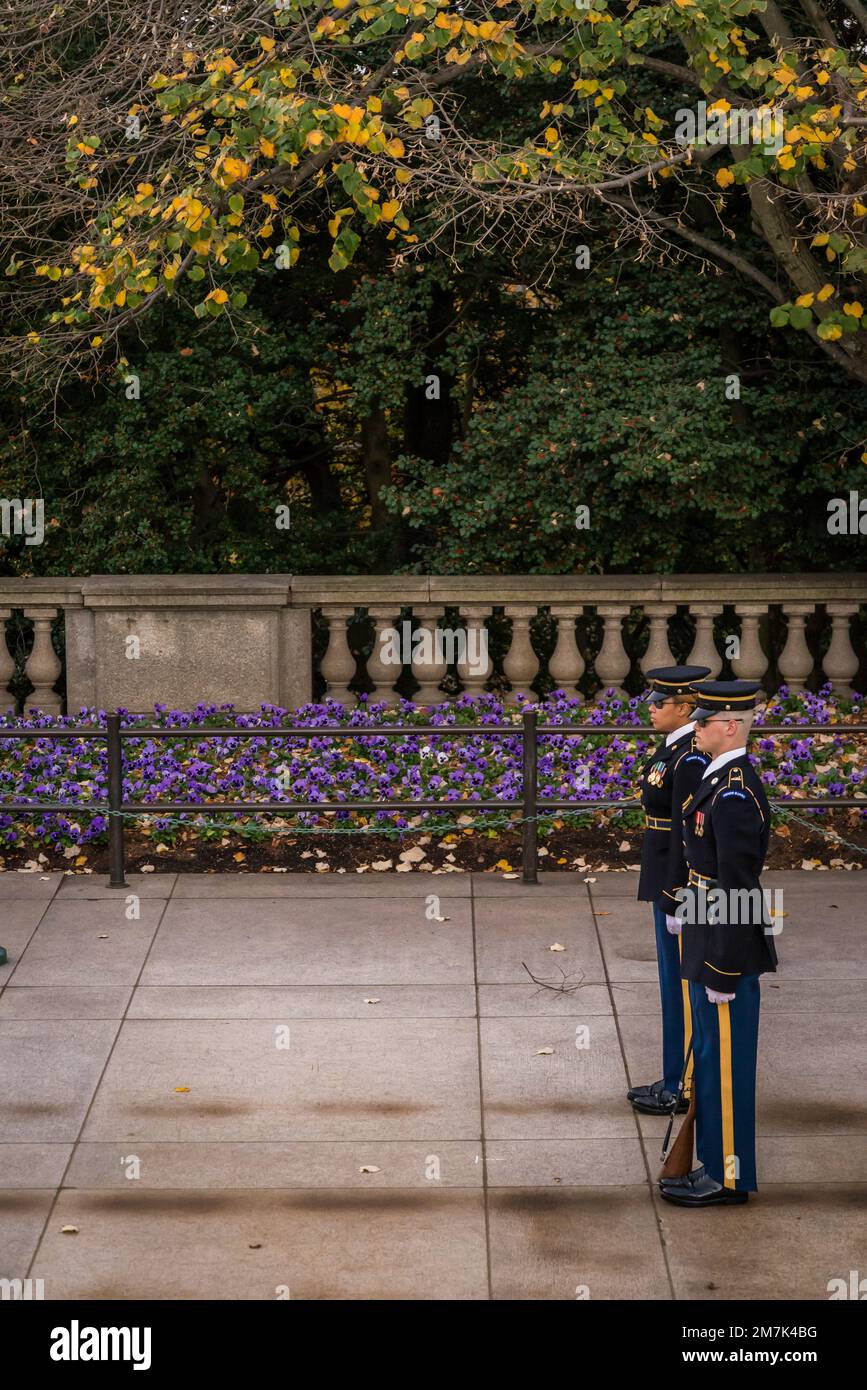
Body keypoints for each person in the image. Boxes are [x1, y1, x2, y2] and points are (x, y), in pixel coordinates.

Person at [659, 679, 778, 1208]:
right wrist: (690, 910)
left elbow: (739, 883)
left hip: (725, 940)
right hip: (709, 924)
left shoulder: (733, 792)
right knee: (708, 1057)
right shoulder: (718, 778)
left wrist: (726, 968)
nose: (696, 728)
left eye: (703, 722)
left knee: (726, 1069)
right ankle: (710, 1158)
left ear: (729, 727)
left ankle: (729, 1177)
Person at [627, 665, 710, 1117]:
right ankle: (672, 1074)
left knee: (680, 985)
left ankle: (682, 1083)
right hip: (662, 868)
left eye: (661, 703)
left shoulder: (690, 759)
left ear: (685, 709)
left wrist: (679, 893)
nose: (652, 708)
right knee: (668, 981)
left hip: (674, 876)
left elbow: (688, 831)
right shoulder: (672, 750)